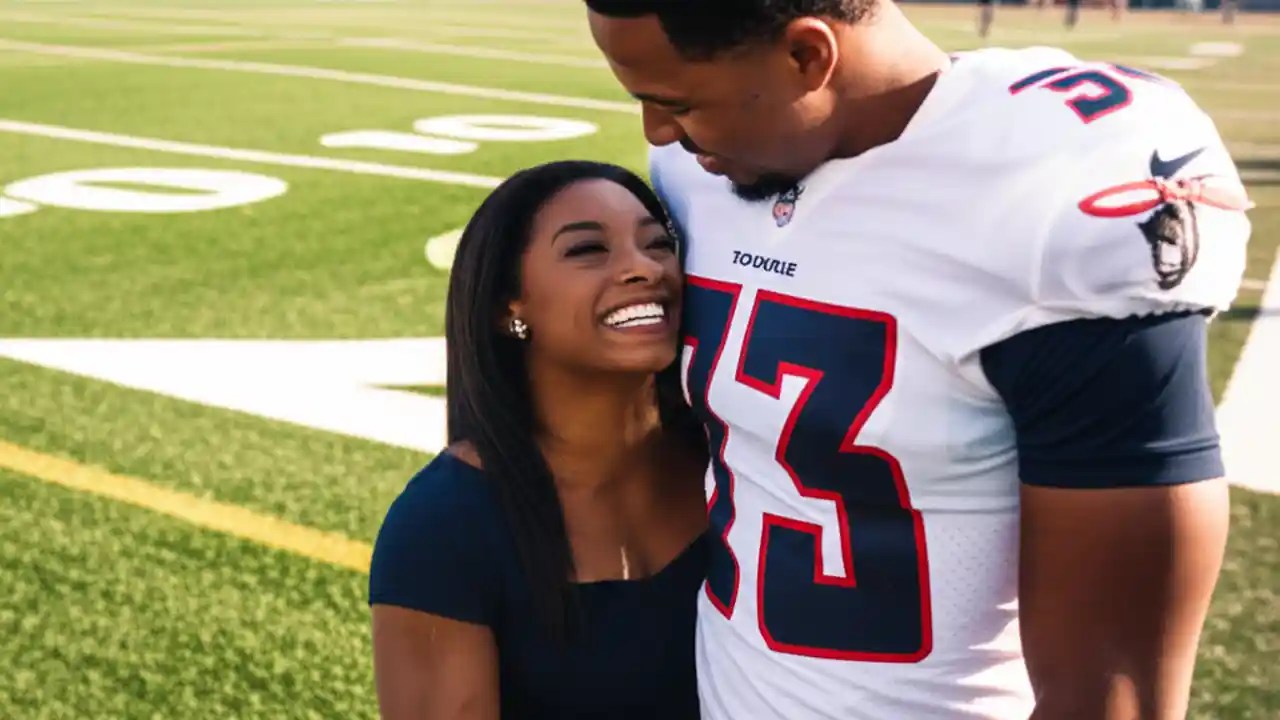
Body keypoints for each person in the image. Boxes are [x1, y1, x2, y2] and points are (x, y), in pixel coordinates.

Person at [584, 1, 1253, 718]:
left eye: (676, 102)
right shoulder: (695, 171)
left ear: (808, 56)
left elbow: (1114, 690)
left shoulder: (1052, 188)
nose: (657, 133)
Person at [368, 160, 709, 719]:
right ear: (509, 307)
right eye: (587, 250)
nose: (644, 269)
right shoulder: (442, 529)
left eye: (657, 244)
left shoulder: (729, 458)